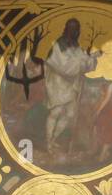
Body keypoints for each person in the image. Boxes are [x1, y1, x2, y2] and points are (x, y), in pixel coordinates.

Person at [43, 19, 100, 154]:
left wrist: (92, 57)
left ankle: (53, 139)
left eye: (77, 30)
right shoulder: (58, 45)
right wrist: (84, 60)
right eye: (73, 29)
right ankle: (48, 143)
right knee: (56, 112)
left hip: (71, 86)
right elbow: (66, 68)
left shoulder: (76, 46)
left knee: (70, 115)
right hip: (57, 85)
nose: (75, 32)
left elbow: (83, 64)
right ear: (67, 29)